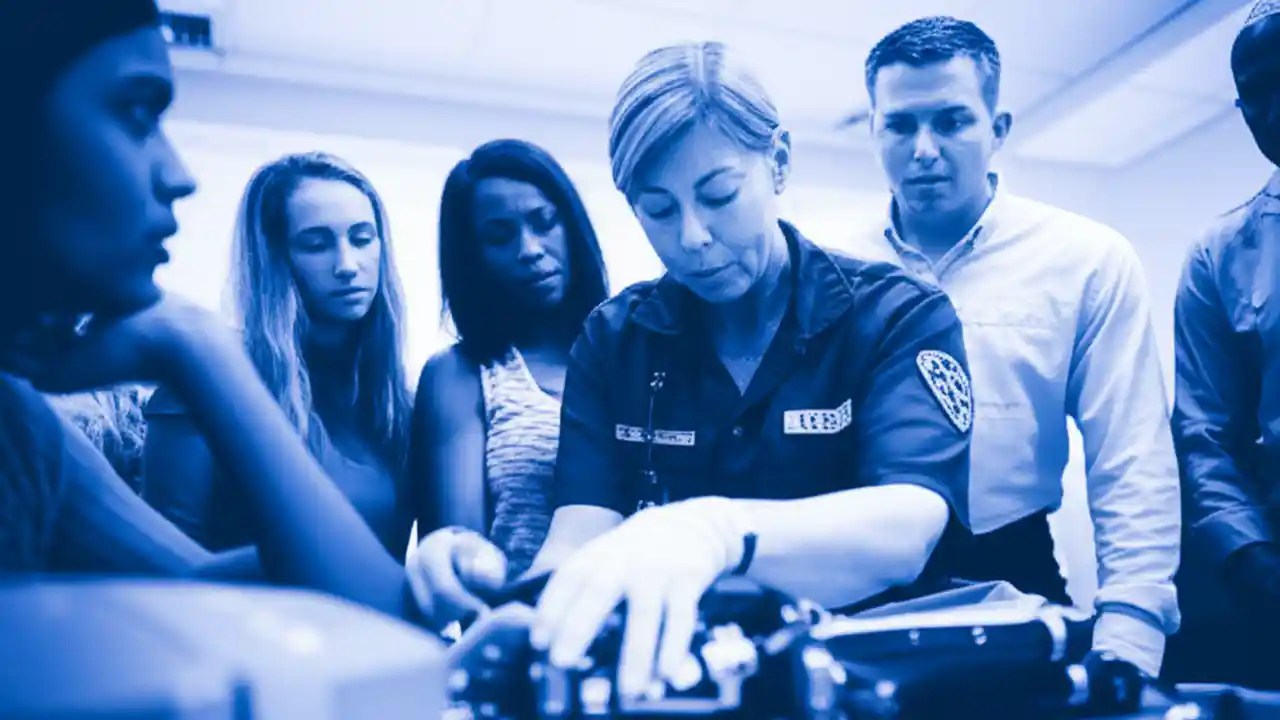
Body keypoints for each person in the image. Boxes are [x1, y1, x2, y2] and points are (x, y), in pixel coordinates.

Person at [0, 0, 502, 634]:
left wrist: (194, 344)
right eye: (135, 113)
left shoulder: (22, 428)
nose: (180, 176)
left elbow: (191, 583)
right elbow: (181, 612)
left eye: (362, 237)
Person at [521, 40, 974, 699]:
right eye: (660, 209)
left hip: (863, 684)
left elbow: (906, 526)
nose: (694, 238)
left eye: (719, 195)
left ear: (779, 163)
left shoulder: (897, 316)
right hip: (680, 684)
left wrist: (714, 530)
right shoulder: (614, 340)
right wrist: (520, 608)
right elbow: (580, 537)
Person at [843, 16, 1180, 677]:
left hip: (1011, 561)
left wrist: (1132, 632)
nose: (924, 148)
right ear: (875, 129)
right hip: (855, 572)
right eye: (901, 125)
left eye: (952, 121)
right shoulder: (828, 261)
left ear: (998, 129)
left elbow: (1131, 454)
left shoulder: (1086, 259)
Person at [144, 152, 415, 558]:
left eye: (362, 239)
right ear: (277, 257)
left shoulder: (398, 404)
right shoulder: (205, 379)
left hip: (367, 622)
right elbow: (166, 567)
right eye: (316, 244)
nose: (347, 265)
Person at [412, 139, 610, 580]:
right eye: (499, 236)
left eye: (545, 222)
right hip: (525, 629)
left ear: (572, 226)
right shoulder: (462, 374)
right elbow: (463, 558)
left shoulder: (635, 354)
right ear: (472, 257)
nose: (530, 248)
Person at [1167, 0, 1280, 689]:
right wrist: (1252, 560)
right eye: (1257, 93)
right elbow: (1206, 438)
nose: (1276, 108)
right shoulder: (1218, 255)